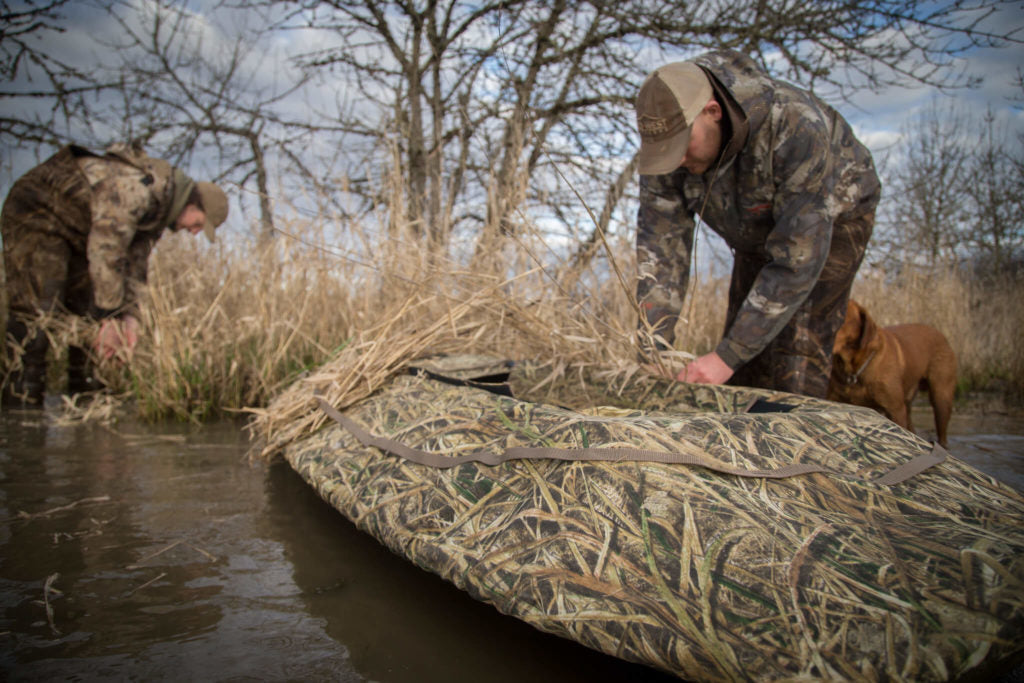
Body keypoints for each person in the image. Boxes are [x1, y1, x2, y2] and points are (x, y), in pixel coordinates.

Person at [635, 50, 881, 398]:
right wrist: (653, 351)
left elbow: (796, 260)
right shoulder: (665, 153)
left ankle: (800, 443)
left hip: (833, 217)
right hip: (753, 229)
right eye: (663, 149)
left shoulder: (796, 127)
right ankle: (743, 445)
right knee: (745, 364)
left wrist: (725, 357)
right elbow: (660, 254)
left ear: (713, 113)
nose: (676, 159)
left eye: (681, 145)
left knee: (796, 351)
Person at [1, 142, 228, 406]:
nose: (194, 232)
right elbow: (106, 250)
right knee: (37, 315)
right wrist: (109, 315)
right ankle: (21, 410)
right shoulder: (135, 190)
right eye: (199, 224)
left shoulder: (157, 213)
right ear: (191, 204)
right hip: (38, 212)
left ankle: (84, 407)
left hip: (78, 234)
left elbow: (135, 267)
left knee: (89, 319)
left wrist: (129, 317)